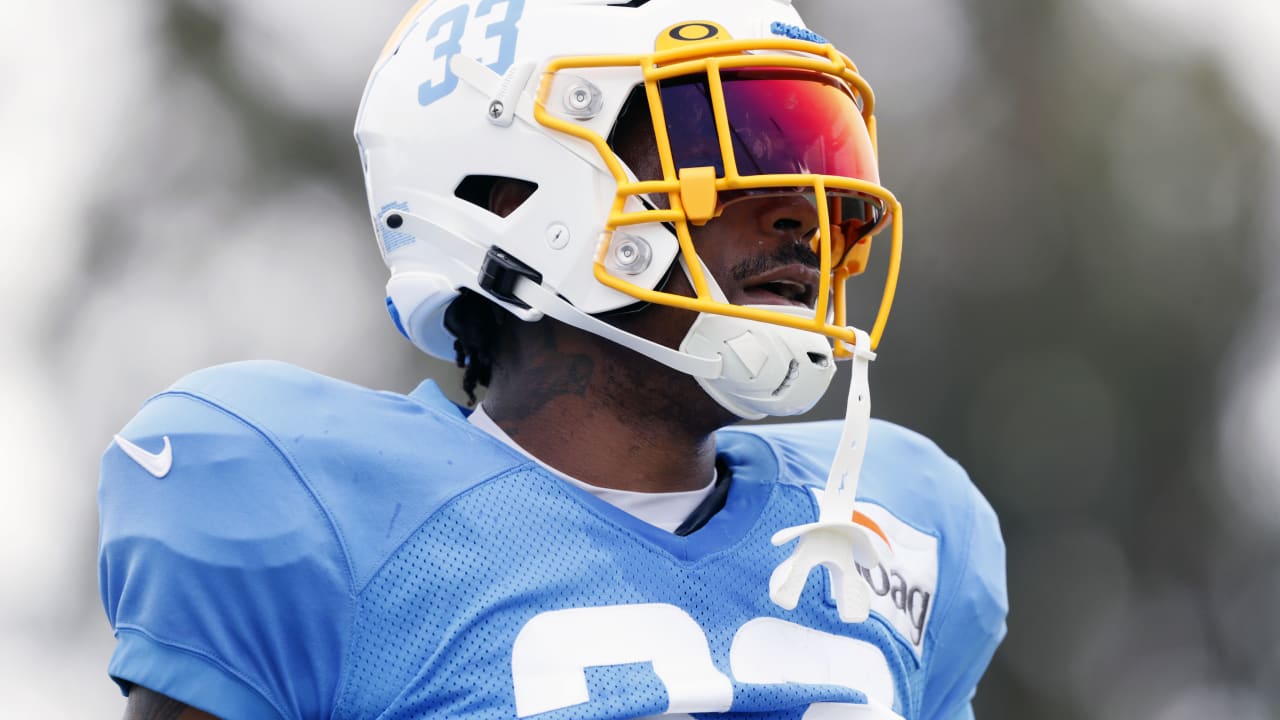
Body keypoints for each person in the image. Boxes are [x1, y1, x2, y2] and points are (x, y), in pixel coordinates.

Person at [98, 0, 1007, 718]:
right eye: (739, 139)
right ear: (511, 194)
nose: (803, 209)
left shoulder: (908, 529)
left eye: (815, 144)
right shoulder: (317, 514)